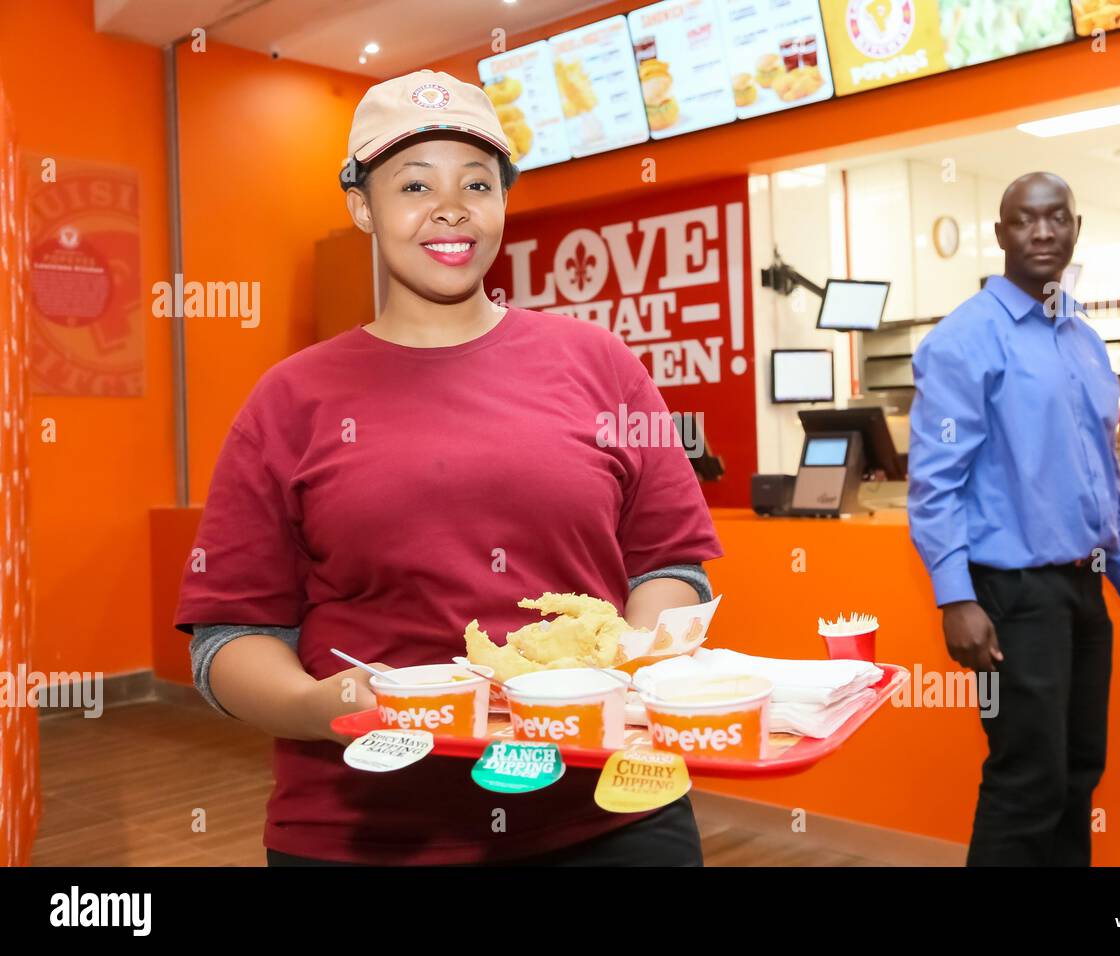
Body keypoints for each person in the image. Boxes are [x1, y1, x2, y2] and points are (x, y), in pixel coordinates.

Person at [173, 71, 721, 866]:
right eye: (413, 184)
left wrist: (623, 667)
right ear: (362, 207)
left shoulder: (599, 363)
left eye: (476, 182)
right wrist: (323, 705)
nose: (451, 206)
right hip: (369, 831)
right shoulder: (288, 399)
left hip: (612, 813)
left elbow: (671, 561)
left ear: (502, 202)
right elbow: (229, 634)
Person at [907, 171, 1120, 867]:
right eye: (1026, 220)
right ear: (1001, 236)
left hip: (1082, 592)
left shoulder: (1084, 339)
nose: (1044, 232)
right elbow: (934, 484)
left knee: (1078, 772)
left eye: (1058, 218)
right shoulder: (964, 341)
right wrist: (955, 597)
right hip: (1007, 596)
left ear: (1076, 229)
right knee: (1027, 781)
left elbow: (1104, 475)